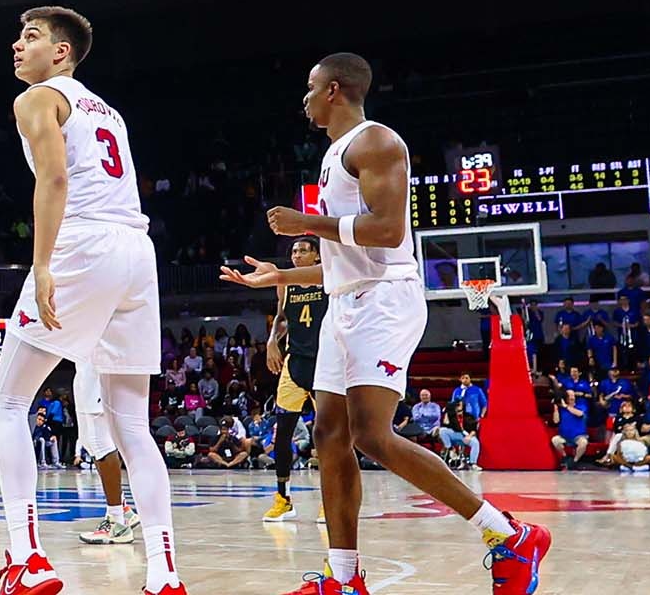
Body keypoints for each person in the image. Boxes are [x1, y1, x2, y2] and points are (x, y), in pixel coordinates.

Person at [222, 53, 549, 595]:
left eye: (309, 89)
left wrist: (307, 222)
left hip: (384, 300)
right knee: (328, 434)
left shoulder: (377, 142)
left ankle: (508, 533)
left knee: (371, 435)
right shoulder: (332, 156)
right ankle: (344, 578)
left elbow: (388, 231)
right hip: (343, 300)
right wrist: (280, 275)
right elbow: (342, 256)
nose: (303, 100)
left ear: (332, 90)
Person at [0, 7, 185, 595]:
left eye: (30, 37)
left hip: (86, 242)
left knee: (7, 401)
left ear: (62, 53)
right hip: (136, 252)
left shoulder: (37, 99)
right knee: (133, 426)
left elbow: (54, 181)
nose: (16, 46)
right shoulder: (109, 111)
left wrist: (43, 263)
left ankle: (26, 560)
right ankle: (164, 573)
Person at [263, 235, 327, 526]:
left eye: (303, 250)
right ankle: (283, 499)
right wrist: (271, 341)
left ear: (316, 256)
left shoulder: (328, 276)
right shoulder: (285, 284)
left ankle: (330, 501)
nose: (297, 255)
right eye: (294, 251)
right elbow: (281, 318)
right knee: (283, 435)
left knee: (327, 437)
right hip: (294, 363)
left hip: (325, 363)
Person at [75, 356, 140, 545]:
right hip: (84, 366)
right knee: (88, 440)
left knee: (100, 442)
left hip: (99, 367)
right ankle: (124, 510)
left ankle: (117, 523)